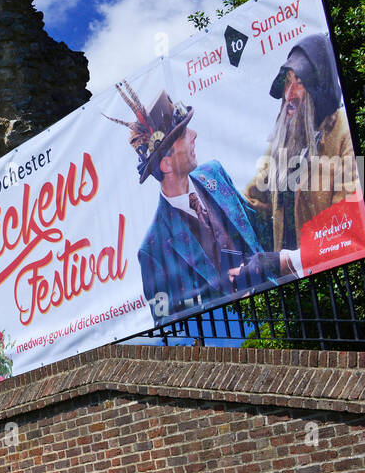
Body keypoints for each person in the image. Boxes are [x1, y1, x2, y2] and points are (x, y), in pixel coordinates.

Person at [105, 82, 288, 325]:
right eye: (183, 134)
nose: (194, 135)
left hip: (281, 307)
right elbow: (166, 322)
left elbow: (259, 229)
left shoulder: (215, 174)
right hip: (235, 343)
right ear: (166, 165)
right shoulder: (153, 249)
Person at [245, 33, 361, 257]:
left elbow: (347, 219)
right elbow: (256, 200)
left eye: (299, 82)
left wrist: (285, 262)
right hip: (291, 281)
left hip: (333, 269)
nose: (289, 94)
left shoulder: (344, 135)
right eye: (288, 81)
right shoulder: (283, 140)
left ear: (317, 88)